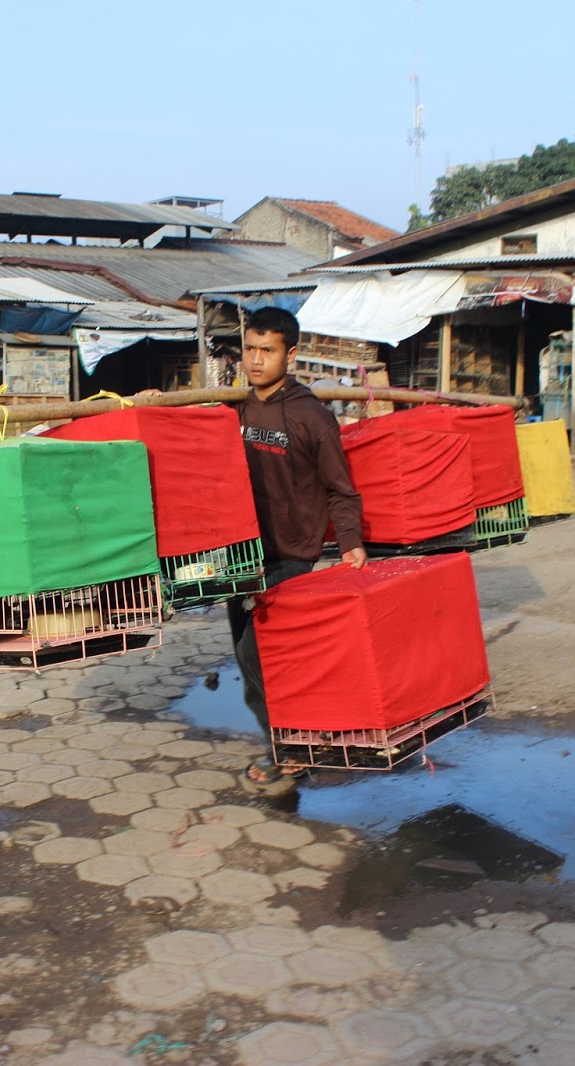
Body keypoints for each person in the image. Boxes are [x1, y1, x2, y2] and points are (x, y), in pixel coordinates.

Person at [227, 307, 367, 785]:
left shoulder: (313, 417)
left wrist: (350, 540)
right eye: (250, 349)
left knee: (258, 654)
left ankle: (298, 744)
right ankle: (283, 743)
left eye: (268, 350)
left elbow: (342, 489)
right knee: (251, 663)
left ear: (291, 352)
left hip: (291, 554)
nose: (256, 360)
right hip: (240, 555)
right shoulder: (234, 408)